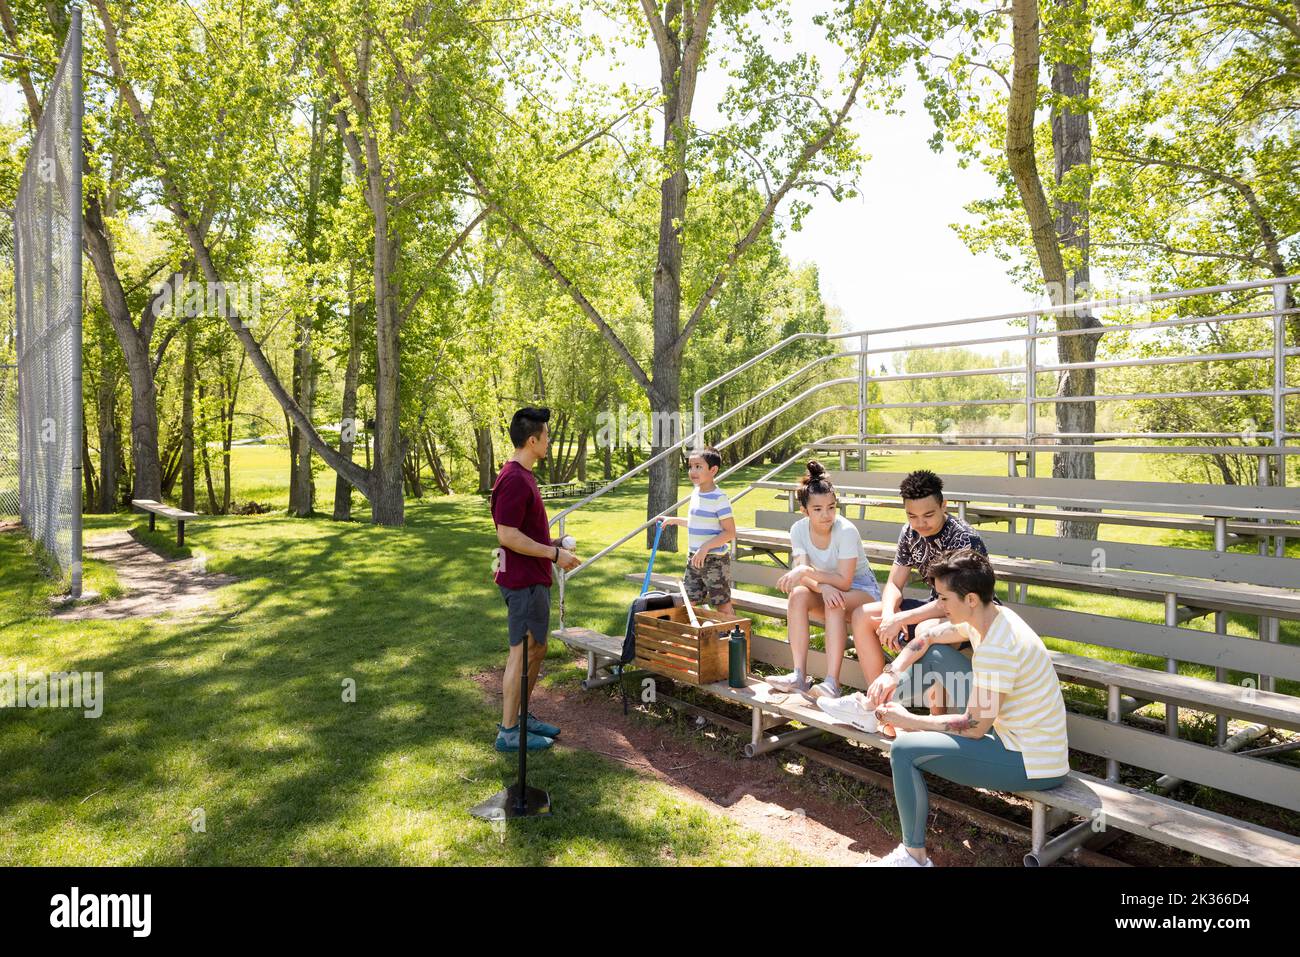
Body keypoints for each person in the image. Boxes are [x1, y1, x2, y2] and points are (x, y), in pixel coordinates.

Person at [862, 549, 1069, 867]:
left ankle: (914, 857)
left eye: (944, 598)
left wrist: (910, 721)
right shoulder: (990, 616)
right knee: (935, 655)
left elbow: (974, 727)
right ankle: (868, 708)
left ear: (970, 598)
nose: (939, 605)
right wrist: (892, 671)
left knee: (904, 749)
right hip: (1009, 733)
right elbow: (928, 637)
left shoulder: (999, 647)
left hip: (1031, 760)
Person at [490, 407, 580, 753]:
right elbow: (508, 536)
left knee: (536, 649)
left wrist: (553, 544)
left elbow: (523, 531)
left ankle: (521, 717)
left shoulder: (524, 475)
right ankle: (508, 731)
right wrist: (554, 555)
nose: (548, 441)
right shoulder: (513, 478)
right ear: (533, 440)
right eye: (546, 436)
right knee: (522, 652)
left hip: (532, 578)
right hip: (522, 582)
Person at [766, 461, 882, 700]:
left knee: (835, 601)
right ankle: (799, 676)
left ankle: (832, 682)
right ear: (805, 510)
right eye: (817, 509)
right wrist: (822, 585)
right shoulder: (798, 530)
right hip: (830, 588)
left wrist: (809, 574)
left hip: (862, 591)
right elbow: (803, 574)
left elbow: (845, 581)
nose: (826, 515)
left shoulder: (846, 531)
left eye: (831, 507)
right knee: (798, 594)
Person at [852, 469, 989, 664]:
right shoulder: (909, 533)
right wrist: (889, 616)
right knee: (862, 615)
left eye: (928, 515)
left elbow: (956, 600)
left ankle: (912, 688)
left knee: (924, 630)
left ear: (943, 506)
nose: (920, 523)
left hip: (971, 612)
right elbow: (893, 584)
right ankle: (879, 692)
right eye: (912, 516)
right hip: (936, 605)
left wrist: (902, 619)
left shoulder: (963, 538)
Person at [661, 446, 737, 618]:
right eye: (690, 466)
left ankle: (735, 638)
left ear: (713, 470)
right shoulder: (696, 493)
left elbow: (729, 532)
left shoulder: (719, 498)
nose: (692, 471)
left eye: (698, 466)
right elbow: (698, 524)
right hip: (695, 559)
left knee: (722, 605)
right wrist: (674, 520)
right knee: (689, 601)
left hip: (715, 562)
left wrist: (705, 548)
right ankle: (689, 639)